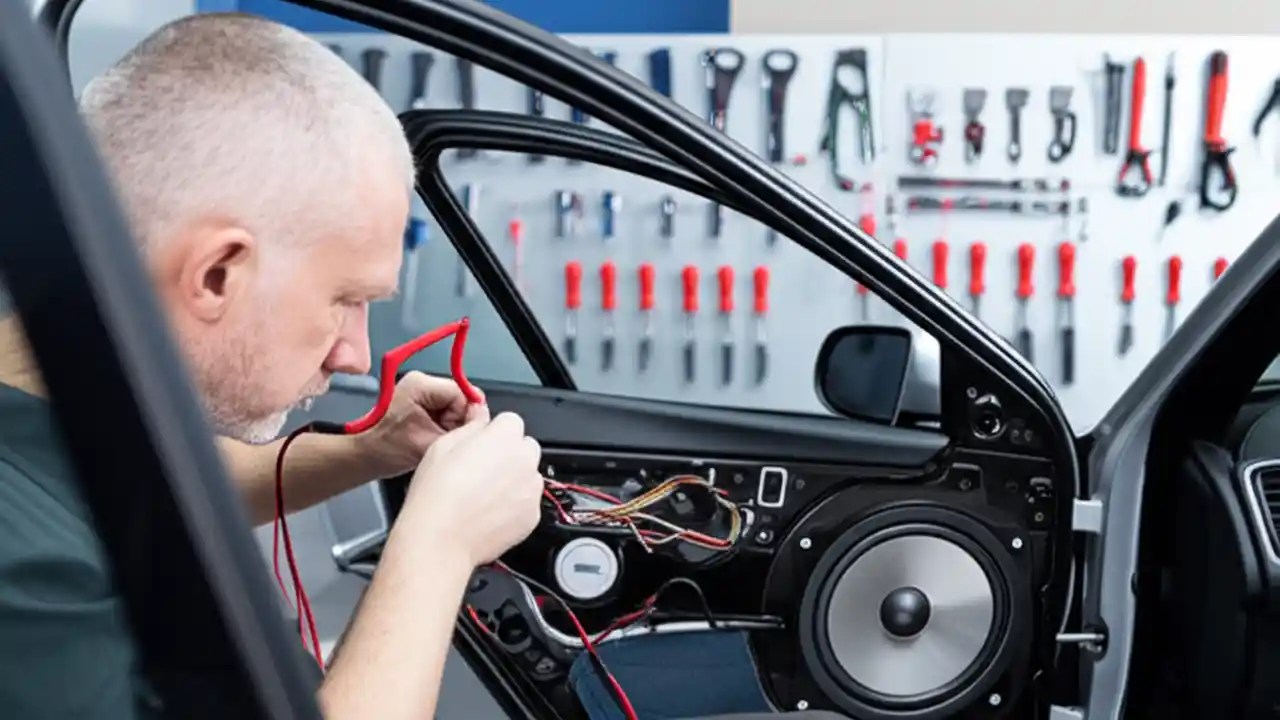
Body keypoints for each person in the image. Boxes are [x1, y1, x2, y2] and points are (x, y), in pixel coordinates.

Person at [0, 12, 544, 719]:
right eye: (345, 300)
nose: (356, 353)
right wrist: (438, 545)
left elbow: (158, 480)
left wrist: (371, 451)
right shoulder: (25, 575)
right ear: (217, 275)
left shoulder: (72, 394)